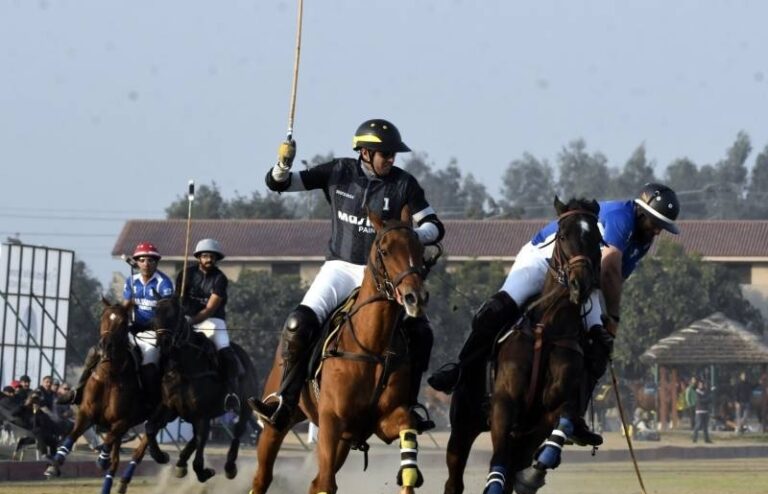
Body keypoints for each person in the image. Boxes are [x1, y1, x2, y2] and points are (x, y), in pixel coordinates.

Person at [429, 183, 682, 447]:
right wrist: (614, 319)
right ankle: (461, 370)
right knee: (495, 312)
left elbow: (609, 280)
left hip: (582, 277)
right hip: (543, 260)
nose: (657, 230)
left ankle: (574, 418)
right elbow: (610, 271)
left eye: (662, 226)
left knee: (599, 346)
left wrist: (603, 326)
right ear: (642, 212)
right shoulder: (622, 218)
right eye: (655, 222)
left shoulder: (644, 239)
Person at [250, 118, 445, 430]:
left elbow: (435, 226)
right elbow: (279, 185)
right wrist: (282, 165)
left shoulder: (404, 184)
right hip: (340, 269)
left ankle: (410, 403)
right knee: (298, 323)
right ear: (365, 153)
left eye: (394, 154)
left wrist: (407, 236)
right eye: (386, 154)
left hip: (383, 278)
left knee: (421, 333)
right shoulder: (338, 171)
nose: (392, 159)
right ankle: (284, 401)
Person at [59, 242, 174, 408]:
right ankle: (78, 391)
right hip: (132, 329)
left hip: (153, 333)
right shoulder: (131, 281)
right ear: (137, 262)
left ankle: (150, 403)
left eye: (150, 260)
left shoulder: (164, 283)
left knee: (148, 365)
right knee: (96, 351)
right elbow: (126, 306)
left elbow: (166, 311)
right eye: (142, 260)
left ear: (156, 262)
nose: (146, 264)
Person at [177, 238, 240, 412]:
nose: (208, 259)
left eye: (212, 256)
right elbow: (177, 300)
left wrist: (192, 321)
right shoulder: (186, 275)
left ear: (216, 258)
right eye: (205, 256)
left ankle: (231, 392)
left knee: (224, 348)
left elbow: (210, 308)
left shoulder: (220, 279)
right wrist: (182, 318)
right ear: (198, 257)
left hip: (212, 320)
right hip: (186, 319)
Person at [693, 379, 713, 443]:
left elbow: (710, 399)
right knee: (698, 425)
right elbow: (700, 401)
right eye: (700, 384)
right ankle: (694, 438)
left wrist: (707, 399)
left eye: (702, 384)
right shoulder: (697, 392)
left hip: (706, 411)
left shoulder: (706, 391)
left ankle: (707, 439)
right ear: (698, 385)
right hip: (699, 411)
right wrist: (707, 399)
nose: (701, 385)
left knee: (705, 427)